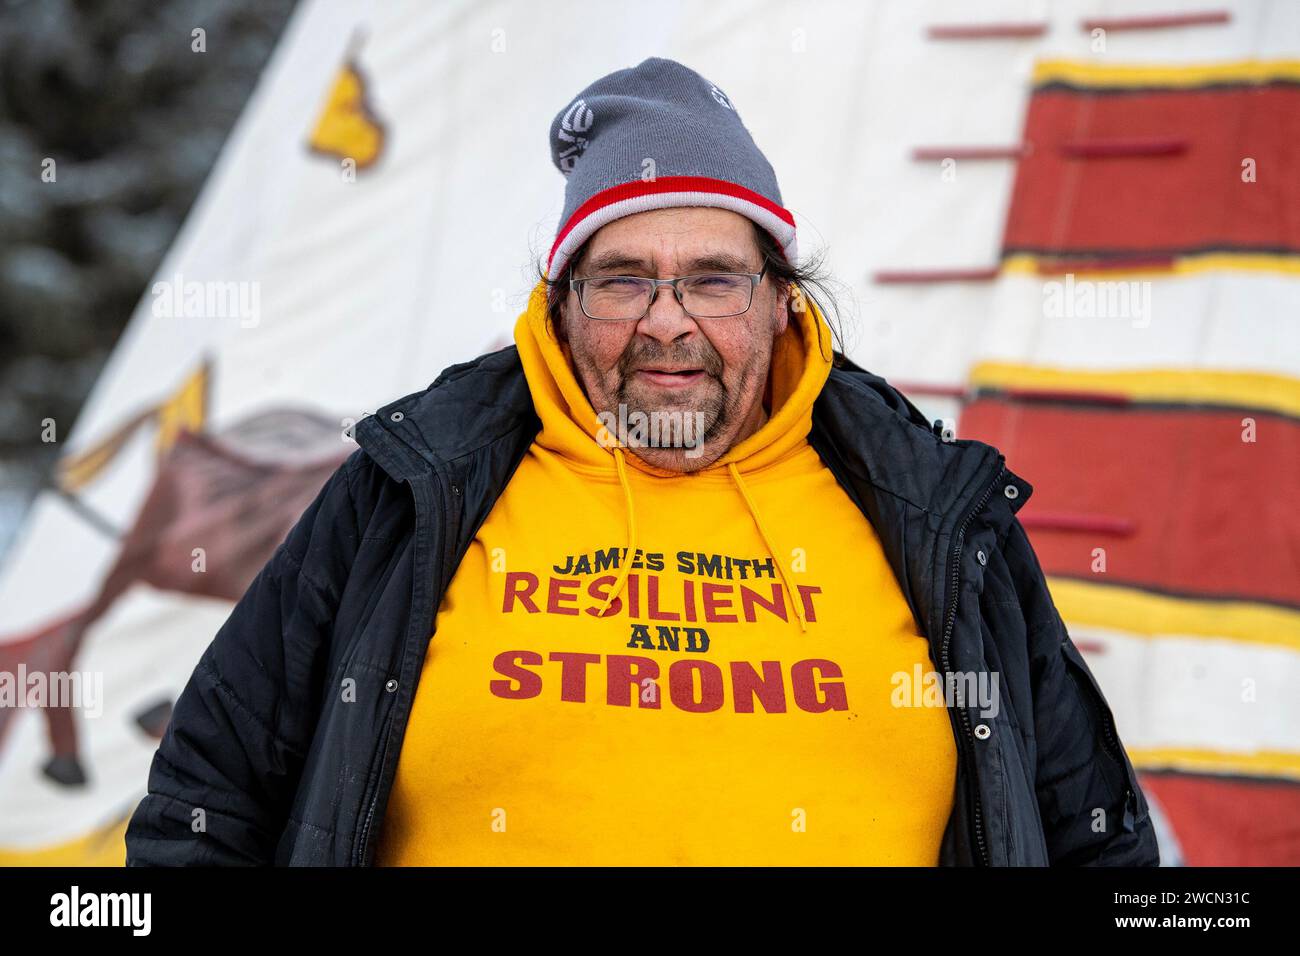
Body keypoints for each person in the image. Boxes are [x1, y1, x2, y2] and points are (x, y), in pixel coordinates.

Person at [125, 56, 1159, 866]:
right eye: (622, 280)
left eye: (713, 279)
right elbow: (208, 800)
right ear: (560, 303)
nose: (668, 323)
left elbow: (1092, 832)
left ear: (780, 298)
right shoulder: (406, 492)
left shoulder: (938, 516)